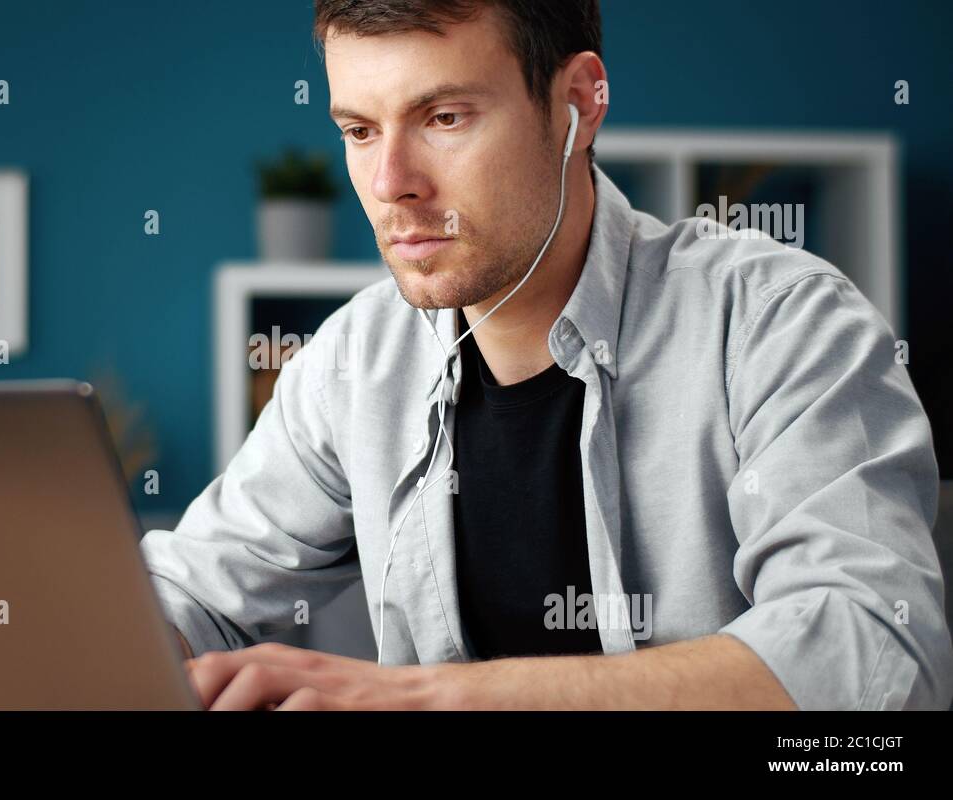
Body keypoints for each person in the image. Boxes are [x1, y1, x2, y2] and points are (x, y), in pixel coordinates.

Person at [140, 0, 953, 710]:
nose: (391, 183)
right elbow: (186, 595)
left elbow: (876, 662)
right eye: (358, 130)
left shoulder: (778, 321)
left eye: (444, 117)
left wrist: (429, 700)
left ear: (576, 104)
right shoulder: (356, 358)